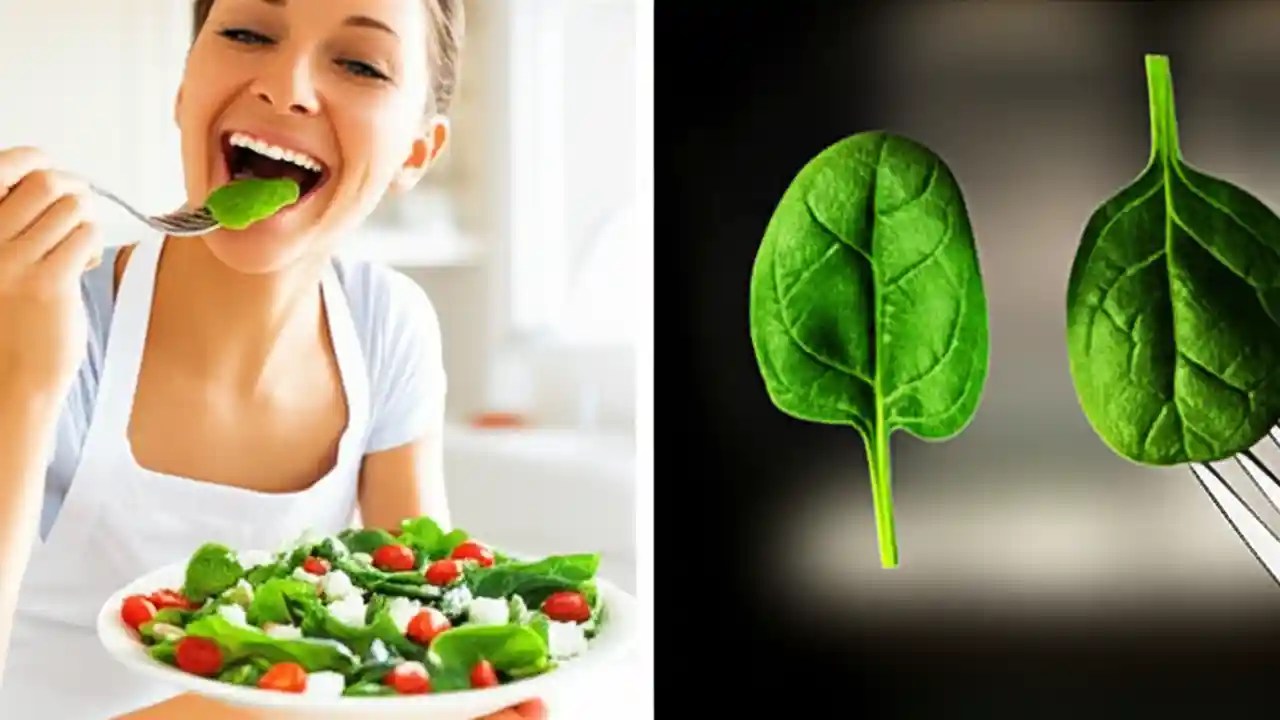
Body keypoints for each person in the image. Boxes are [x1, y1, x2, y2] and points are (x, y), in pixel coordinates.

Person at [0, 0, 544, 718]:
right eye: (248, 32)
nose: (286, 85)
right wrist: (24, 376)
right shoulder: (38, 316)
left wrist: (472, 696)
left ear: (416, 152)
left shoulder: (386, 327)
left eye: (359, 63)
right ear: (185, 86)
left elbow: (420, 637)